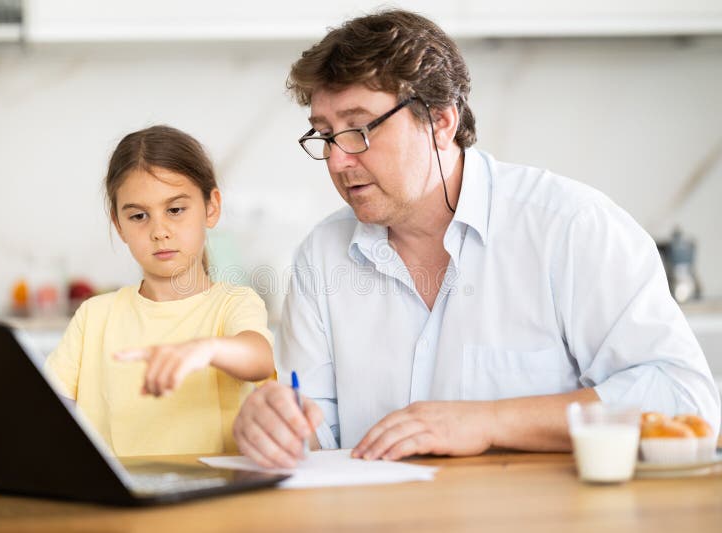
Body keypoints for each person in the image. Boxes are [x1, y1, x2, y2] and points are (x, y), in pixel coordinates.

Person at [232, 9, 720, 468]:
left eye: (359, 129)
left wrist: (491, 421)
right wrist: (275, 429)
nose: (338, 160)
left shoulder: (569, 227)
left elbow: (681, 396)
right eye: (325, 134)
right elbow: (316, 433)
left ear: (441, 120)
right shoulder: (322, 256)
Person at [45, 125, 274, 456]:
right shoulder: (94, 316)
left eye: (175, 210)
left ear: (211, 207)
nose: (159, 231)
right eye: (139, 216)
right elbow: (49, 411)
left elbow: (259, 359)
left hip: (212, 502)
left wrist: (205, 350)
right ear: (118, 225)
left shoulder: (233, 304)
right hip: (118, 505)